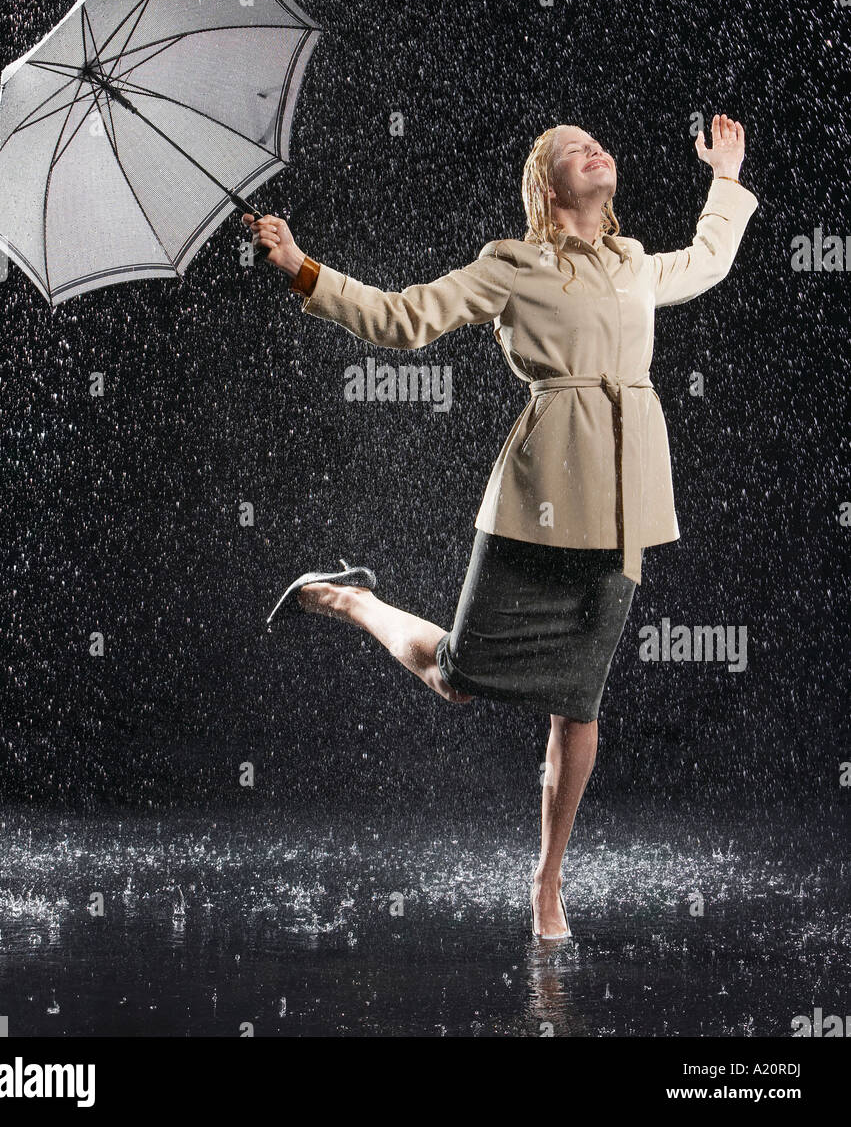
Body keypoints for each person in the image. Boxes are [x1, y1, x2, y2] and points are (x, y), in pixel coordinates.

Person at [245, 115, 759, 940]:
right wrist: (305, 269)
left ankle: (547, 882)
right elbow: (403, 318)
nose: (597, 147)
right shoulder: (511, 265)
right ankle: (343, 599)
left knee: (577, 703)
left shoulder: (630, 263)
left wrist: (725, 179)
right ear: (547, 186)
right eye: (574, 148)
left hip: (623, 508)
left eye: (601, 140)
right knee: (455, 675)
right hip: (538, 497)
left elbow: (706, 261)